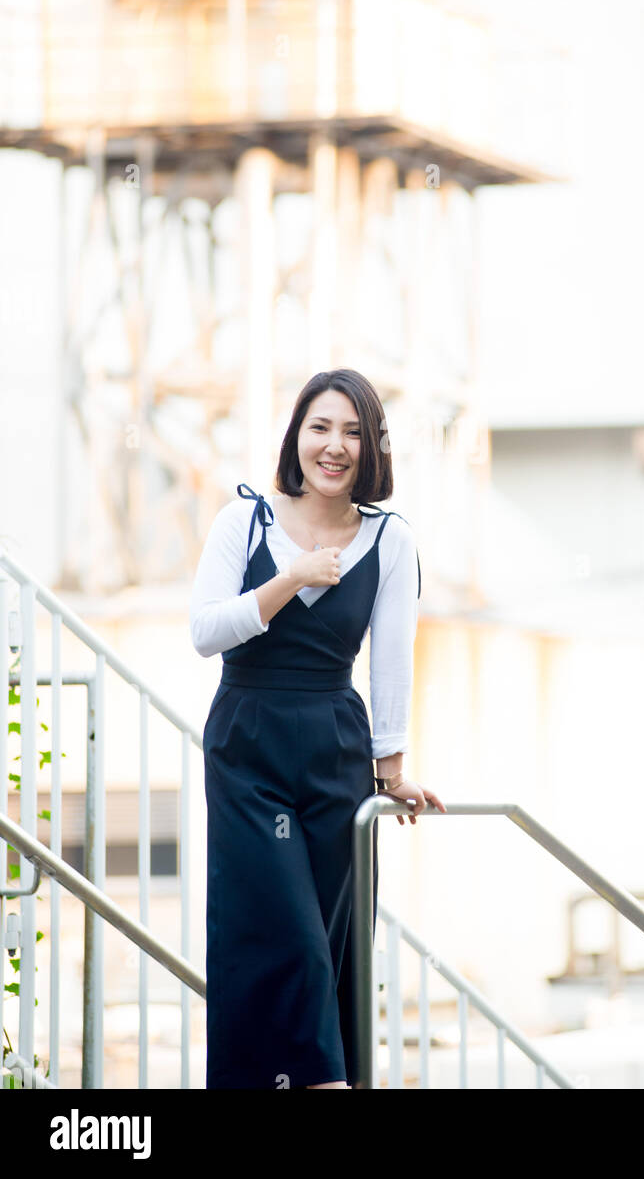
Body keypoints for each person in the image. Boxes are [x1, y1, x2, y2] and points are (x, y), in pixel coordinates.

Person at [190, 367, 446, 1089]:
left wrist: (391, 773)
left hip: (335, 746)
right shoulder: (244, 519)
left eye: (354, 433)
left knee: (333, 949)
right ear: (296, 435)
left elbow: (393, 659)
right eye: (320, 427)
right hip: (247, 743)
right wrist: (290, 578)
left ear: (373, 450)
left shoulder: (390, 539)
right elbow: (205, 633)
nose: (335, 447)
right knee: (284, 938)